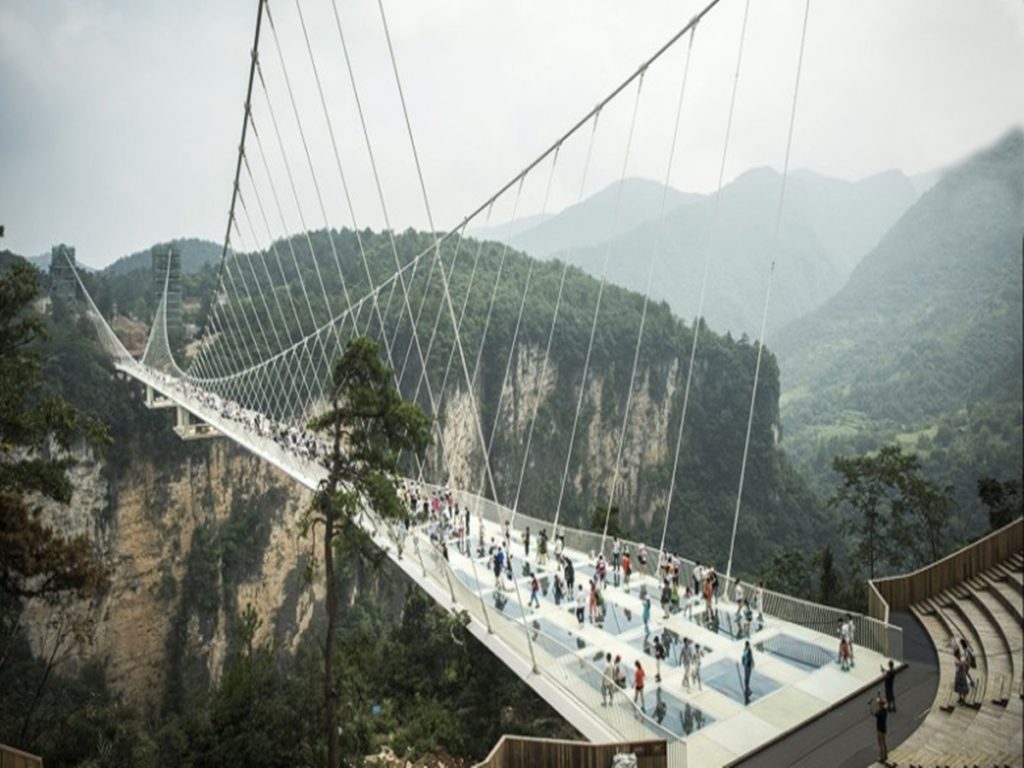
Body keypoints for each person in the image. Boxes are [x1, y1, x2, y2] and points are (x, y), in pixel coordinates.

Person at [870, 691, 889, 764]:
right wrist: (879, 695)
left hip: (879, 729)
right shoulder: (885, 710)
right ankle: (886, 755)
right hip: (884, 728)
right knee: (884, 743)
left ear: (881, 705)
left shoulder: (879, 713)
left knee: (880, 743)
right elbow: (883, 701)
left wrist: (870, 705)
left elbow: (872, 713)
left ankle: (882, 758)